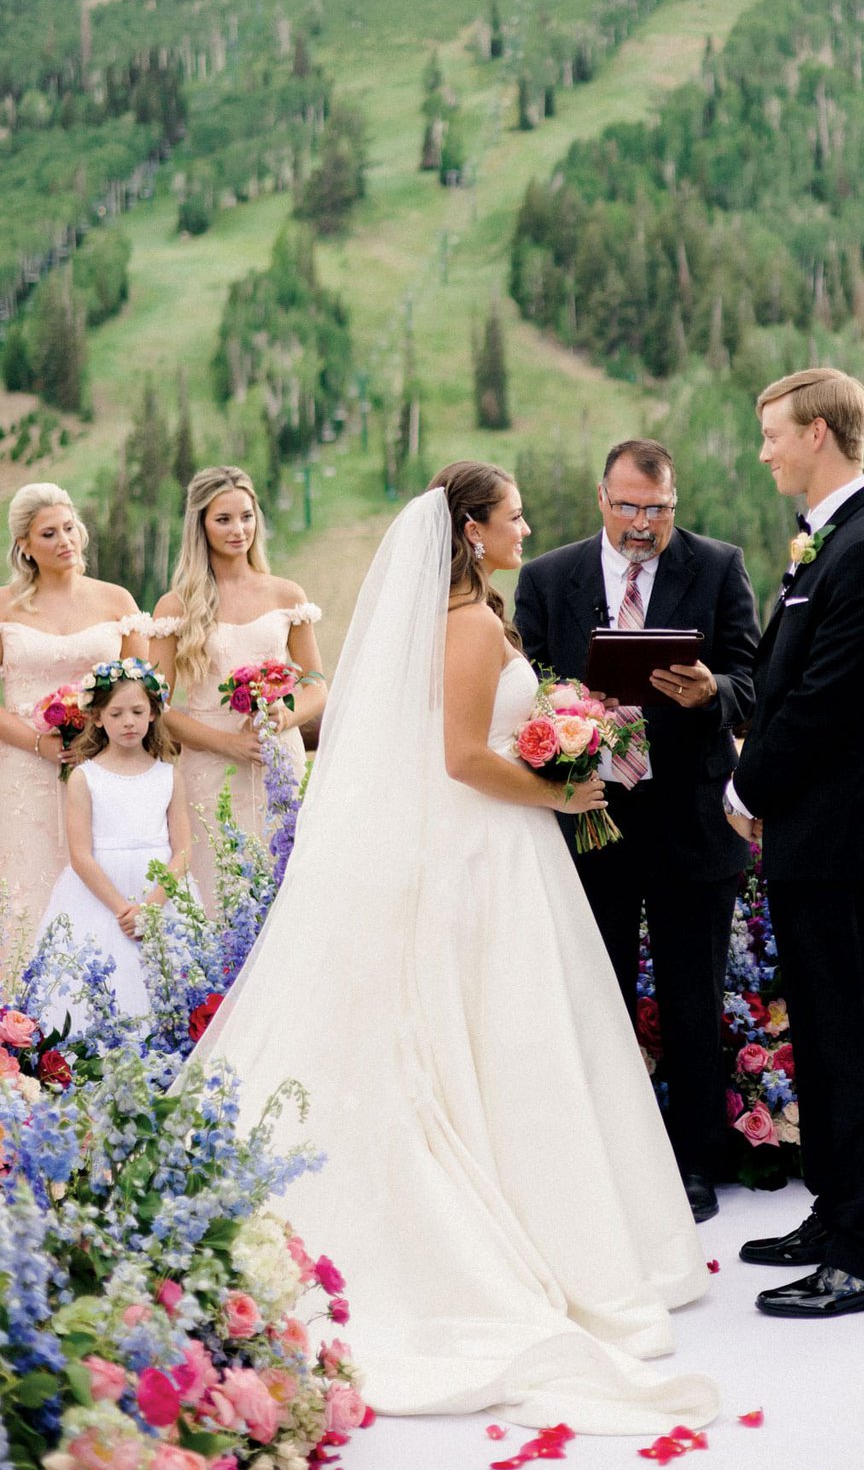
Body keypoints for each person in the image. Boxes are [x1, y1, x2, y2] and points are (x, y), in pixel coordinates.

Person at [193, 464, 717, 1434]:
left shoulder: (462, 615)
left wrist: (563, 742)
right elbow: (463, 756)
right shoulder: (470, 623)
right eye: (512, 513)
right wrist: (563, 789)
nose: (526, 525)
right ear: (472, 530)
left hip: (481, 844)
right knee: (509, 1032)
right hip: (488, 846)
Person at [514, 438, 759, 1224]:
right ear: (601, 498)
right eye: (628, 507)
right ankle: (605, 1161)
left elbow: (753, 684)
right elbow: (525, 696)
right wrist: (567, 724)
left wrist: (709, 690)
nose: (643, 523)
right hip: (593, 822)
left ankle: (692, 1167)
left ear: (674, 503)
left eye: (657, 509)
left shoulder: (717, 566)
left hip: (690, 819)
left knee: (693, 1004)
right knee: (599, 998)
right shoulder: (549, 577)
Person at [724, 367, 864, 1319]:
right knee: (829, 1026)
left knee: (852, 1034)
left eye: (773, 433)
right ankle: (839, 1209)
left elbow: (825, 704)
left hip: (838, 826)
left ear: (820, 434)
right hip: (815, 826)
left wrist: (745, 782)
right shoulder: (830, 541)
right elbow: (784, 678)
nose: (763, 450)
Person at [151, 466, 325, 906]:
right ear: (201, 525)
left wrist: (287, 714)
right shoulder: (176, 605)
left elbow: (316, 685)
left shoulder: (286, 594)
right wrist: (225, 744)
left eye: (246, 517)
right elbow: (157, 705)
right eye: (223, 519)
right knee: (218, 890)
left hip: (277, 757)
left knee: (286, 880)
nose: (238, 530)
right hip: (209, 765)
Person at [0, 482, 150, 965]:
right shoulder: (4, 607)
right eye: (49, 533)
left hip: (106, 768)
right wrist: (38, 744)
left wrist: (104, 737)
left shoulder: (116, 601)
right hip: (26, 772)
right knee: (27, 883)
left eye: (70, 528)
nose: (65, 540)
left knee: (105, 878)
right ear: (23, 544)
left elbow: (145, 690)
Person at [36, 658, 193, 1023]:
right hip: (101, 897)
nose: (128, 722)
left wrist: (150, 908)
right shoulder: (84, 778)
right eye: (117, 713)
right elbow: (80, 855)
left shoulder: (168, 776)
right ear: (97, 717)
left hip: (159, 894)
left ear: (153, 714)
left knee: (161, 985)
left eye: (138, 711)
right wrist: (124, 911)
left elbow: (183, 848)